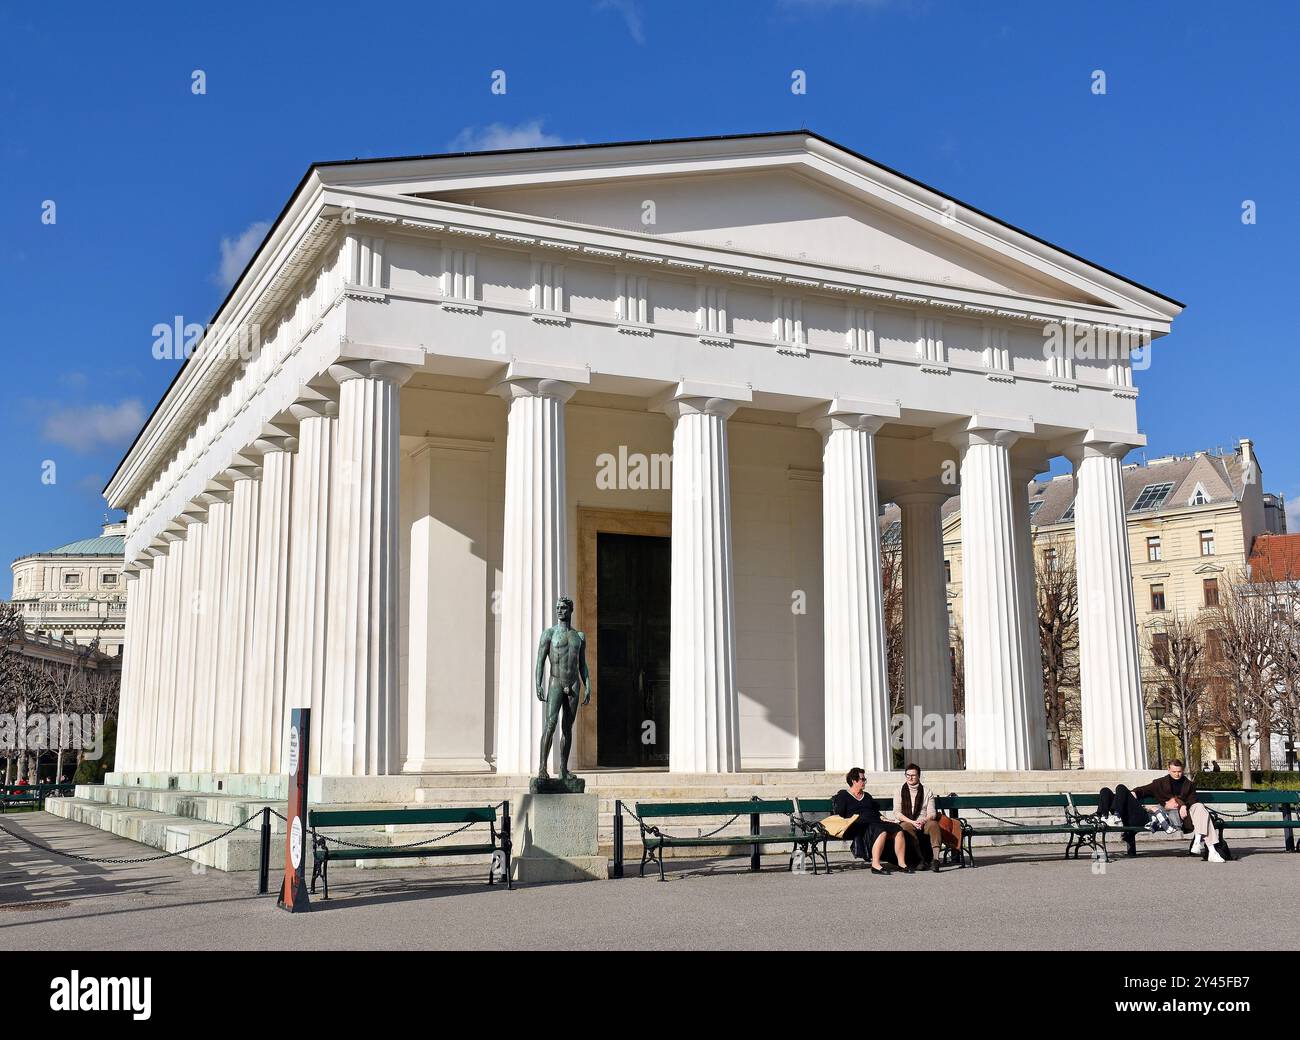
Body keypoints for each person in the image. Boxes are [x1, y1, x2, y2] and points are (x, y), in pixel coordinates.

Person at [1098, 759, 1226, 863]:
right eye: (1174, 771)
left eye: (1180, 771)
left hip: (1179, 815)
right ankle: (1105, 817)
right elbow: (1144, 790)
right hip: (1152, 814)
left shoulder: (1189, 785)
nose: (1177, 774)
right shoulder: (1160, 783)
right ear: (1169, 770)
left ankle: (1201, 841)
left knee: (1199, 807)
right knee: (1106, 791)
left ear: (1183, 770)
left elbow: (1192, 800)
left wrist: (1181, 805)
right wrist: (1134, 793)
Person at [832, 767, 914, 875]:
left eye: (864, 779)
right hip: (859, 825)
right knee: (880, 830)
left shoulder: (867, 796)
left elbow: (875, 811)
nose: (864, 781)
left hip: (875, 821)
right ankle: (875, 865)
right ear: (854, 781)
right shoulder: (843, 795)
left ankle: (901, 863)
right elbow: (841, 813)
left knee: (898, 829)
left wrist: (883, 818)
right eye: (862, 779)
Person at [895, 763, 944, 872]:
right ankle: (920, 859)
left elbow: (932, 813)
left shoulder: (927, 792)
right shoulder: (899, 791)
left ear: (919, 776)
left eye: (913, 775)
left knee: (934, 825)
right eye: (907, 775)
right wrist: (912, 821)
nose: (910, 778)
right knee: (905, 827)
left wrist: (923, 820)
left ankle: (935, 860)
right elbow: (897, 813)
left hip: (924, 821)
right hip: (907, 820)